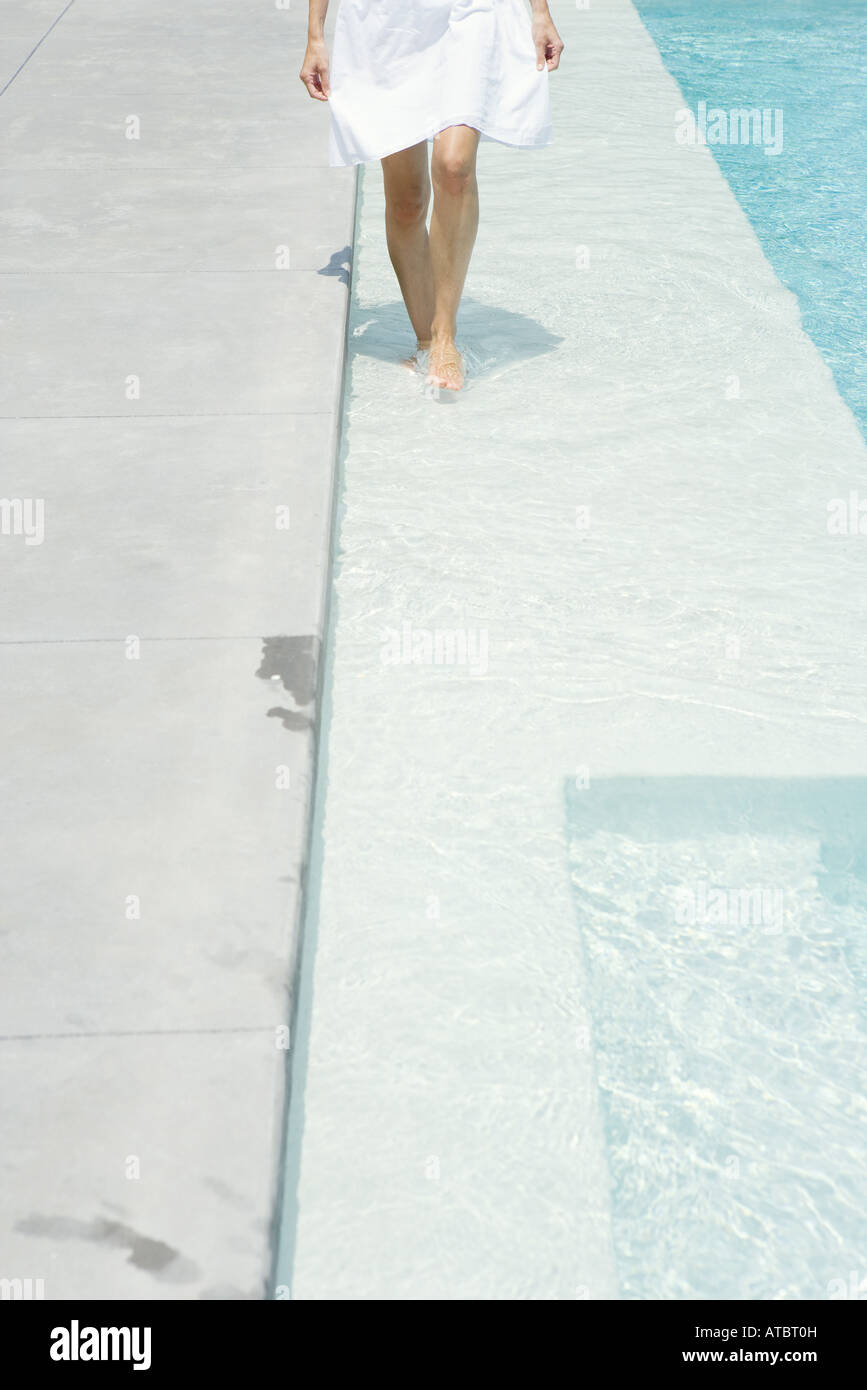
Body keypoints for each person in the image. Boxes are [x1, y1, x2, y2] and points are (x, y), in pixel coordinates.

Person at [301, 1, 564, 390]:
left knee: (454, 167)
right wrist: (315, 35)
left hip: (473, 10)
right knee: (408, 203)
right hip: (389, 22)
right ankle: (425, 339)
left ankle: (444, 336)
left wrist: (540, 12)